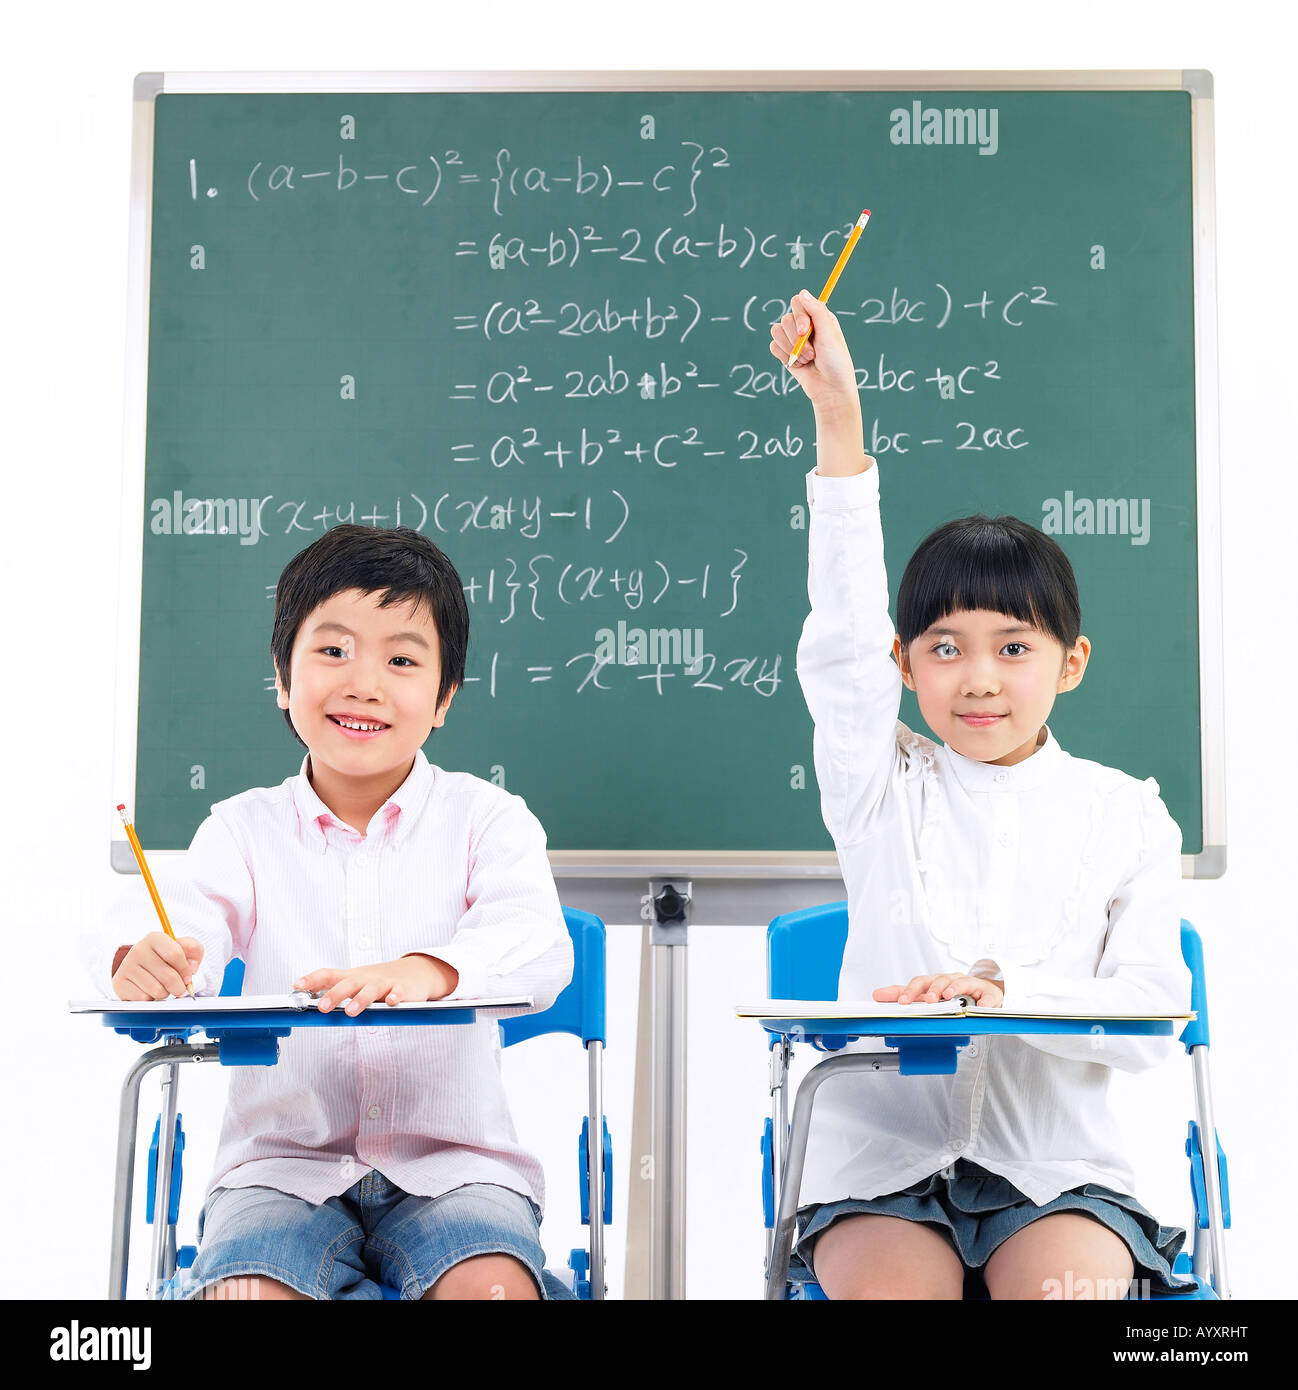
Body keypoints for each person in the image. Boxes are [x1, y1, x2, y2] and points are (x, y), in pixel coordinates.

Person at [769, 290, 1195, 1301]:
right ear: (903, 664)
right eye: (944, 648)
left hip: (1060, 1173)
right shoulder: (880, 784)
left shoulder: (1126, 814)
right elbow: (840, 637)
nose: (978, 679)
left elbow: (1151, 1005)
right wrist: (838, 418)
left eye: (1013, 648)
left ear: (1070, 662)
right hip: (881, 1168)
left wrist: (1004, 992)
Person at [98, 525, 574, 1300]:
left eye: (402, 660)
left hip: (456, 1170)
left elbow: (535, 943)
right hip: (278, 1173)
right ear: (282, 678)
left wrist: (425, 971)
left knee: (491, 1288)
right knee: (247, 1292)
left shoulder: (488, 819)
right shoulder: (240, 830)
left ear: (445, 698)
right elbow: (183, 926)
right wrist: (146, 958)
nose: (364, 683)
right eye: (333, 650)